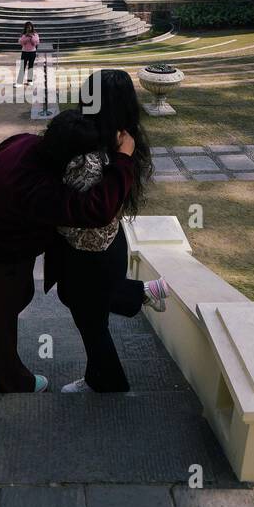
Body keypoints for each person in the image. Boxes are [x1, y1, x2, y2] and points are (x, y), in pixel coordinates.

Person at [0, 111, 138, 393]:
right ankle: (13, 383)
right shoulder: (38, 187)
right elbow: (95, 210)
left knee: (17, 297)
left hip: (8, 247)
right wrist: (124, 159)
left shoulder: (25, 141)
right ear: (69, 158)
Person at [46, 70, 162, 393]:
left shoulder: (98, 154)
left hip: (92, 256)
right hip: (102, 250)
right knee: (78, 302)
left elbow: (99, 209)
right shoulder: (122, 141)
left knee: (91, 323)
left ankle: (108, 384)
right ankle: (140, 293)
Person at [17, 21, 40, 86]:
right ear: (25, 28)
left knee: (31, 66)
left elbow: (36, 43)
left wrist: (31, 37)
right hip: (24, 52)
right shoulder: (23, 34)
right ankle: (19, 81)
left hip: (32, 52)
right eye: (27, 27)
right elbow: (21, 42)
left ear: (32, 27)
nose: (28, 28)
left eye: (29, 27)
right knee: (22, 67)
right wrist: (26, 37)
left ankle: (29, 81)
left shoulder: (35, 34)